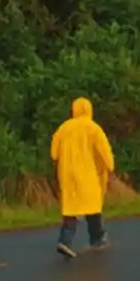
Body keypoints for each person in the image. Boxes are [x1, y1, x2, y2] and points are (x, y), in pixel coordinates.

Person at [50, 96, 115, 258]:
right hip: (87, 173)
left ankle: (65, 241)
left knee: (71, 207)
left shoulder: (64, 128)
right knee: (93, 204)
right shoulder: (93, 128)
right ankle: (98, 237)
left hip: (66, 174)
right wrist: (110, 166)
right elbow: (104, 150)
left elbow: (54, 152)